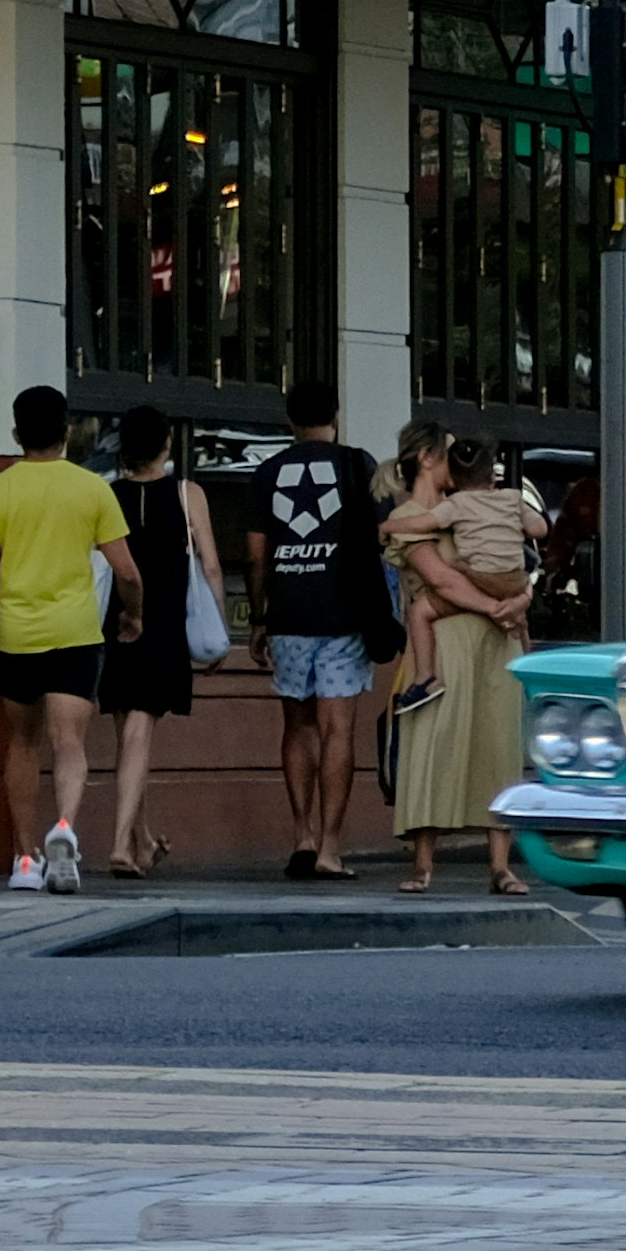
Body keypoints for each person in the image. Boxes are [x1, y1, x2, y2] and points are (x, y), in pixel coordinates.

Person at [0, 382, 134, 897]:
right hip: (76, 634)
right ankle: (65, 830)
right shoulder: (92, 489)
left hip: (15, 636)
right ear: (67, 433)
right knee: (70, 742)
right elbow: (126, 570)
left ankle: (25, 858)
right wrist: (134, 614)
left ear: (16, 434)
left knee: (24, 742)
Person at [380, 433, 535, 894]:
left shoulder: (475, 508)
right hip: (446, 648)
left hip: (495, 645)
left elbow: (520, 563)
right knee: (433, 749)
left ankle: (501, 867)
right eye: (449, 453)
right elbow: (440, 579)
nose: (460, 462)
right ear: (428, 459)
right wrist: (498, 608)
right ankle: (423, 864)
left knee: (498, 750)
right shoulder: (410, 517)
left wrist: (522, 596)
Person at [249, 374, 387, 882]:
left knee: (297, 725)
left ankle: (301, 836)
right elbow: (383, 538)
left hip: (288, 615)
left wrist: (260, 618)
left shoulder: (267, 472)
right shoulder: (358, 464)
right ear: (336, 416)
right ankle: (331, 848)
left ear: (290, 420)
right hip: (344, 614)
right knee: (338, 729)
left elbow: (256, 557)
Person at [96, 406, 224, 877]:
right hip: (164, 622)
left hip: (118, 622)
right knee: (137, 735)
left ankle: (143, 841)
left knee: (128, 738)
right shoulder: (188, 494)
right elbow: (210, 565)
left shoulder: (107, 494)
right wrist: (217, 631)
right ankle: (119, 846)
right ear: (167, 444)